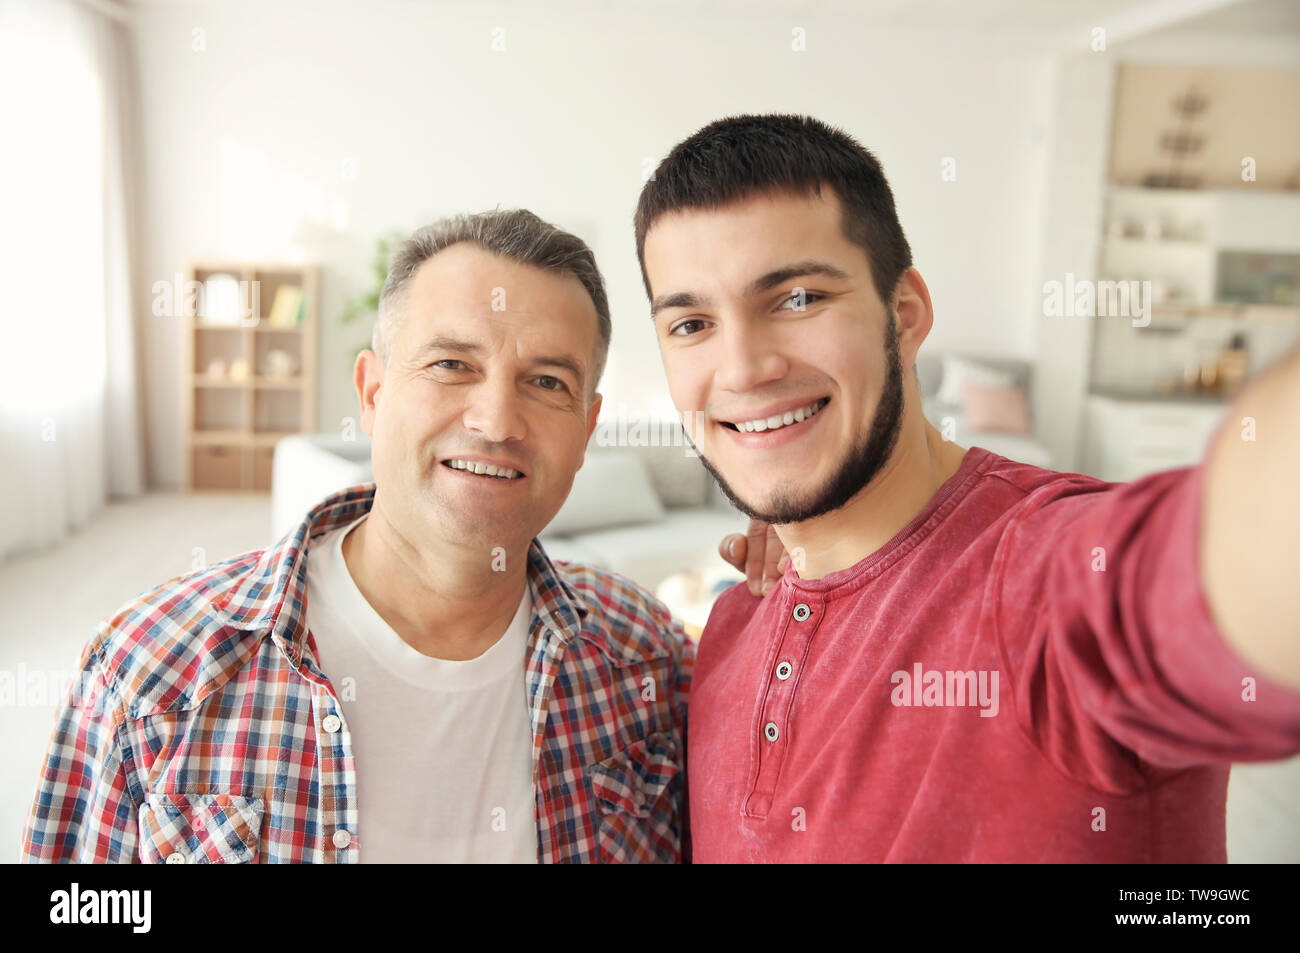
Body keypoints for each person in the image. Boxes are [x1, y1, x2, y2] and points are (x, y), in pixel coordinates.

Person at [634, 113, 1300, 862]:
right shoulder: (728, 630)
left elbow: (1250, 554)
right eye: (691, 323)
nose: (744, 368)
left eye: (797, 299)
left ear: (905, 314)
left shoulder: (1046, 578)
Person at [22, 209, 693, 863]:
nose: (495, 420)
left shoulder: (647, 657)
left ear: (586, 428)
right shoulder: (150, 671)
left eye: (546, 382)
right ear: (372, 394)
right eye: (452, 365)